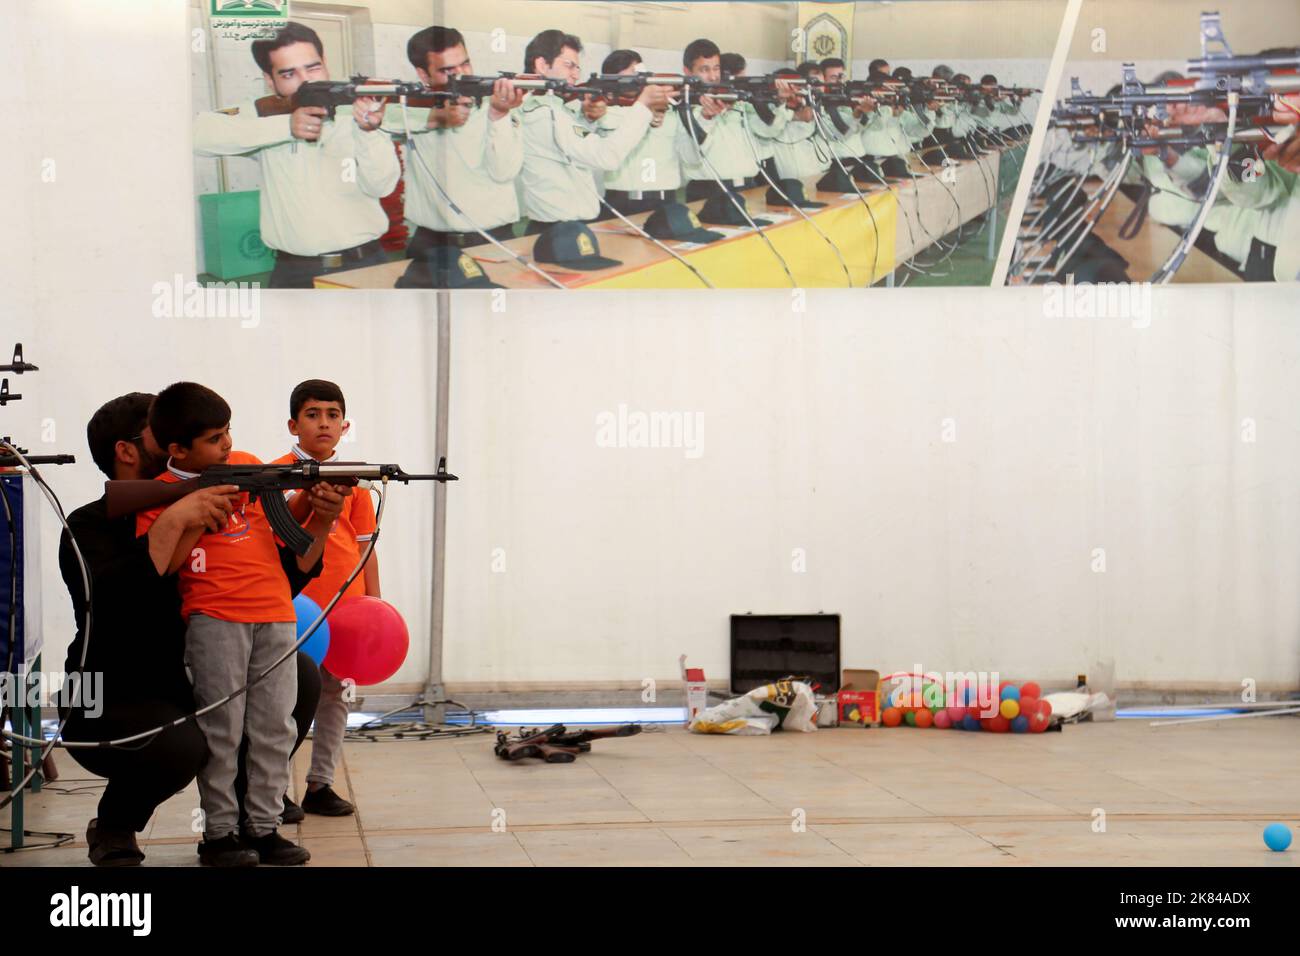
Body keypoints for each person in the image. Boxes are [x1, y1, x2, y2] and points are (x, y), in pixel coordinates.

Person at [58, 393, 328, 866]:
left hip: (179, 677)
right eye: (159, 431)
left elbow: (280, 578)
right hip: (106, 693)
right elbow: (118, 605)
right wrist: (179, 520)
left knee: (298, 674)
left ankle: (254, 820)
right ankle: (116, 824)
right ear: (129, 450)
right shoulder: (89, 525)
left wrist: (316, 516)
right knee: (189, 743)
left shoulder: (205, 496)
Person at [135, 383, 346, 867]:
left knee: (275, 726)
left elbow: (285, 535)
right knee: (222, 731)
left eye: (227, 432)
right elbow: (162, 565)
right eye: (214, 438)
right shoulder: (161, 497)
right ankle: (220, 833)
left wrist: (315, 505)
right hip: (215, 618)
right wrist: (198, 511)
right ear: (177, 450)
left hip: (275, 611)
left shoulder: (245, 462)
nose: (227, 445)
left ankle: (266, 825)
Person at [193, 22, 400, 288]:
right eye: (289, 74)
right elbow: (197, 136)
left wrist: (369, 133)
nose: (307, 81)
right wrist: (286, 127)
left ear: (325, 62)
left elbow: (382, 187)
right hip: (293, 272)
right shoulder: (265, 116)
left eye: (313, 67)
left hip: (363, 263)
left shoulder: (359, 113)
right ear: (270, 80)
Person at [271, 381, 379, 817]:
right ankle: (273, 790)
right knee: (282, 702)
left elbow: (366, 548)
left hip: (346, 609)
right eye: (313, 414)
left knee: (336, 697)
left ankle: (320, 784)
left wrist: (375, 605)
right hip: (292, 607)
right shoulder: (273, 475)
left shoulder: (358, 483)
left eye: (333, 415)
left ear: (344, 425)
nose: (324, 423)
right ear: (294, 425)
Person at [383, 26, 526, 256]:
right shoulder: (408, 107)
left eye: (466, 63)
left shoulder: (498, 103)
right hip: (431, 243)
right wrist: (433, 118)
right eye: (448, 70)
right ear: (423, 74)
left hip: (494, 239)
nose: (462, 74)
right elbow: (377, 120)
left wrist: (499, 117)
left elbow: (505, 171)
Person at [517, 29, 670, 231]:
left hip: (563, 226)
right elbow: (607, 156)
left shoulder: (550, 108)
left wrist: (588, 119)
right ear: (542, 65)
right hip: (558, 229)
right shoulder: (546, 113)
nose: (576, 74)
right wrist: (643, 106)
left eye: (577, 67)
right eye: (569, 65)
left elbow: (568, 153)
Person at [589, 49, 683, 216]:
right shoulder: (601, 110)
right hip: (621, 203)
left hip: (665, 202)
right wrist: (645, 111)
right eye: (627, 79)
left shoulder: (668, 107)